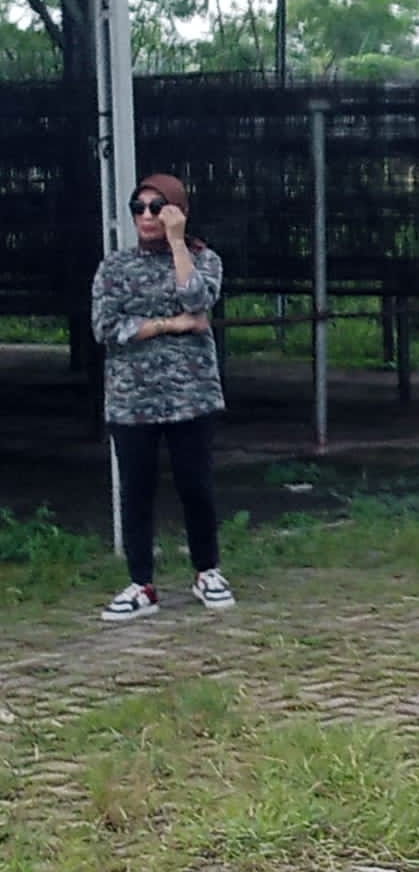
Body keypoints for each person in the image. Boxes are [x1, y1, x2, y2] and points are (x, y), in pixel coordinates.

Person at [90, 173, 232, 621]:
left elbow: (197, 297)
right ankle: (141, 583)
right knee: (137, 490)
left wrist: (177, 245)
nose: (147, 216)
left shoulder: (203, 259)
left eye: (157, 207)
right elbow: (106, 328)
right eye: (139, 208)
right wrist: (172, 324)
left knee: (196, 485)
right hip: (133, 399)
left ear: (177, 211)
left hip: (191, 394)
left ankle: (206, 571)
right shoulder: (114, 268)